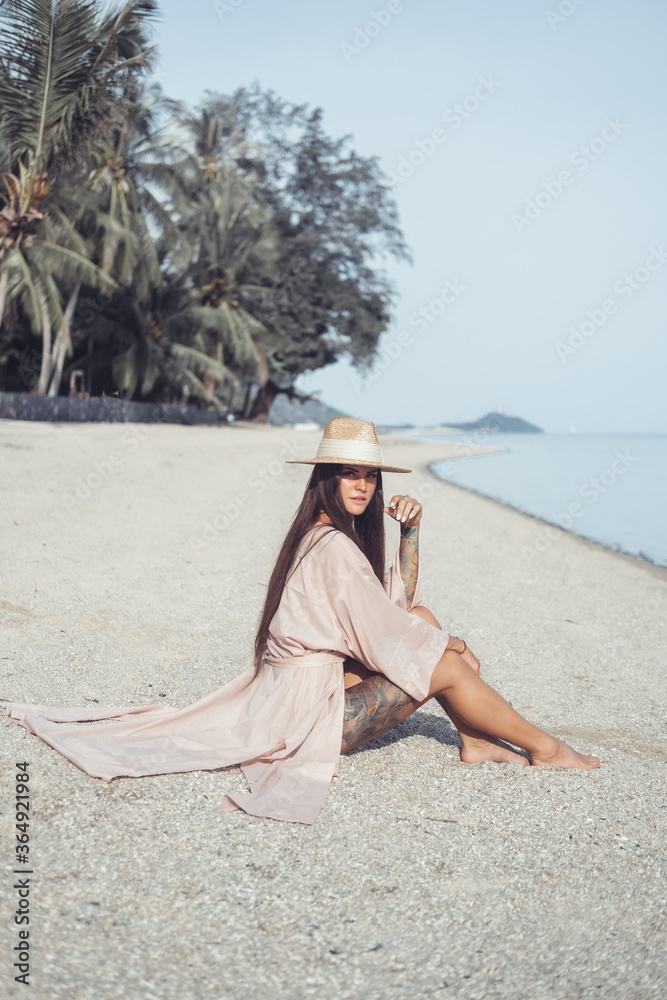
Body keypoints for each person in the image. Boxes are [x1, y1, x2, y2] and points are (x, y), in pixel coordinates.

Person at [1, 418, 599, 825]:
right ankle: (548, 750)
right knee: (445, 657)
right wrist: (452, 647)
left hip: (298, 692)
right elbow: (392, 634)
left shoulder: (320, 537)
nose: (362, 484)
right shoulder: (333, 547)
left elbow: (396, 610)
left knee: (425, 622)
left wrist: (410, 534)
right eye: (349, 473)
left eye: (369, 475)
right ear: (327, 478)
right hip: (308, 714)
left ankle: (472, 739)